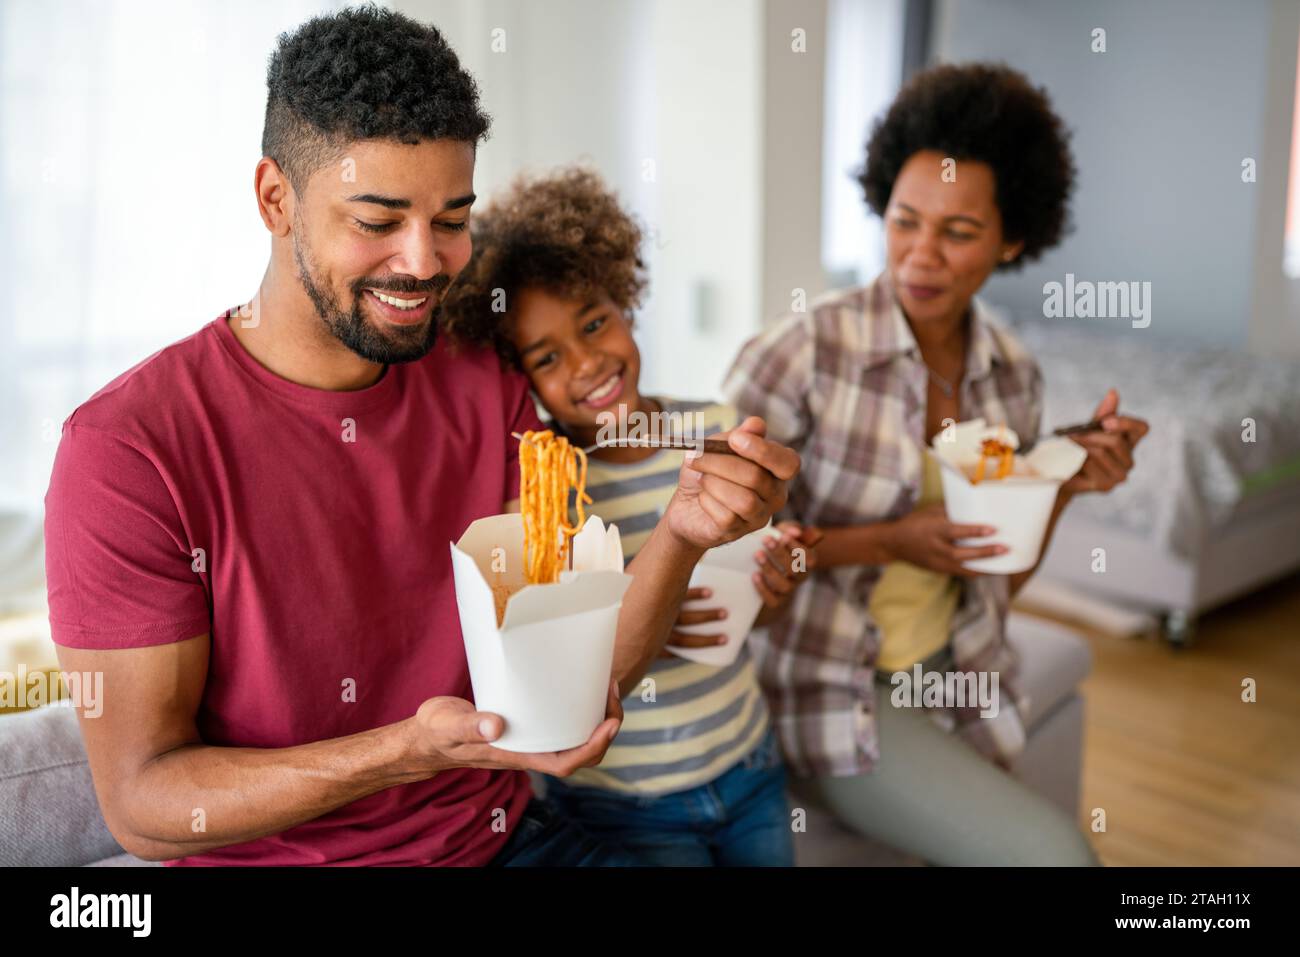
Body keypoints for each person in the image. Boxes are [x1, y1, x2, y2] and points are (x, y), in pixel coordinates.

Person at [43, 6, 797, 868]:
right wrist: (402, 750)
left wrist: (683, 531)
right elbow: (143, 803)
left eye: (450, 219)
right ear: (275, 199)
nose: (426, 261)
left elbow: (578, 673)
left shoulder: (486, 382)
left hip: (509, 843)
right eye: (378, 219)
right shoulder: (126, 451)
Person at [723, 63, 1149, 866]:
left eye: (957, 232)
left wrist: (1059, 484)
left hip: (957, 664)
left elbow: (997, 574)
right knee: (1058, 856)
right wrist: (887, 540)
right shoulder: (800, 353)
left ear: (1012, 238)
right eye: (904, 220)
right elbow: (727, 547)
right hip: (831, 681)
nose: (921, 255)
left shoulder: (1012, 373)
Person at [442, 166, 819, 866]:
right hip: (624, 796)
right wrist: (655, 609)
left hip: (746, 757)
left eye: (595, 322)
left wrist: (776, 585)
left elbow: (748, 612)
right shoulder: (546, 493)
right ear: (518, 378)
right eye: (548, 356)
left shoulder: (717, 427)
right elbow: (559, 659)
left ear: (626, 301)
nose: (587, 362)